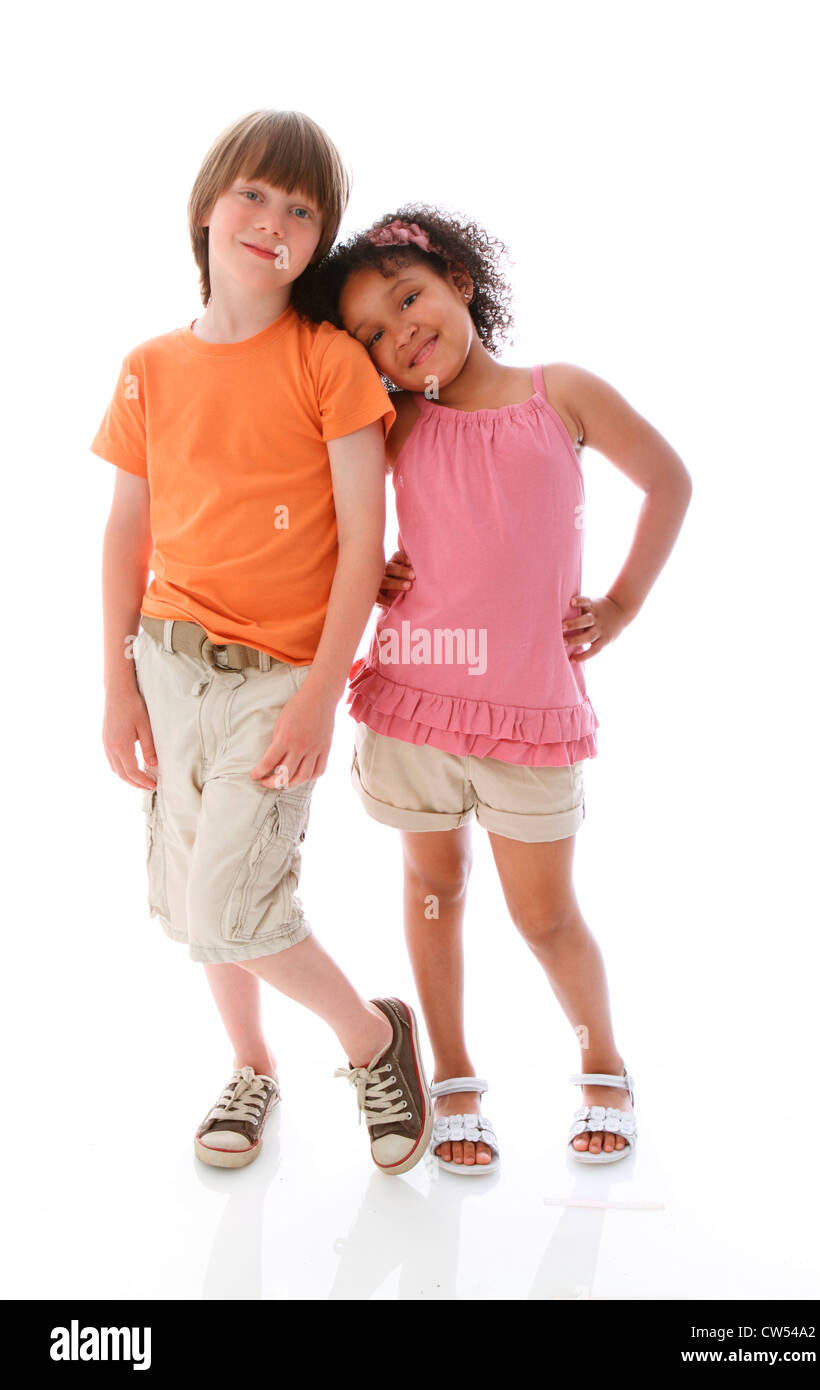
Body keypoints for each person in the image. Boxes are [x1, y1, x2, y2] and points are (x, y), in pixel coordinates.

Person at [292, 208, 692, 1170]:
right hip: (419, 703)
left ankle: (603, 1055)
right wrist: (376, 565)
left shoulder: (565, 394)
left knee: (545, 916)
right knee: (435, 888)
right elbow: (332, 518)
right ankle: (453, 1073)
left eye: (409, 299)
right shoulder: (394, 424)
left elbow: (670, 481)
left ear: (460, 282)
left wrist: (623, 606)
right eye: (374, 335)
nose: (402, 332)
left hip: (529, 710)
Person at [91, 112, 432, 1177]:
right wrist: (117, 685)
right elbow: (125, 529)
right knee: (194, 892)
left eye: (299, 209)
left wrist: (318, 692)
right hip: (167, 660)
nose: (272, 219)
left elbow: (362, 544)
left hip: (276, 678)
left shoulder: (327, 363)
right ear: (205, 207)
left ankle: (373, 1039)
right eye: (253, 194)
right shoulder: (150, 365)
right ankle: (250, 1064)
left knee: (233, 901)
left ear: (316, 239)